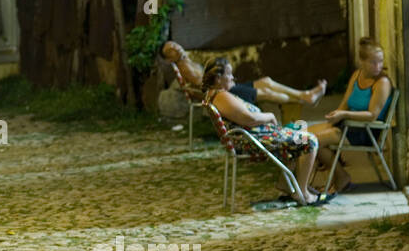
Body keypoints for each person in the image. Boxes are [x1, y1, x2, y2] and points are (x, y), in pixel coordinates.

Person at [203, 57, 326, 207]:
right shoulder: (221, 96)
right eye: (229, 74)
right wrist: (270, 116)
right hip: (251, 141)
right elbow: (248, 118)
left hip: (252, 137)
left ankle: (286, 185)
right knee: (309, 140)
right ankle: (302, 193)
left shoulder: (217, 94)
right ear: (218, 78)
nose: (232, 77)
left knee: (294, 131)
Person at [308, 37, 394, 195]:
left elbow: (372, 115)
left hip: (365, 131)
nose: (378, 66)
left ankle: (341, 177)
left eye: (380, 61)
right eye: (373, 62)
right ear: (362, 61)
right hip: (348, 125)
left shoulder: (382, 82)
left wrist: (344, 115)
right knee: (307, 134)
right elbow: (344, 104)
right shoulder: (357, 75)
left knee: (315, 141)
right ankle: (329, 178)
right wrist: (333, 119)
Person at [163, 41, 326, 107]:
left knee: (266, 81)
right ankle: (303, 100)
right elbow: (205, 85)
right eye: (170, 50)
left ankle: (304, 95)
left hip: (228, 87)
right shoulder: (186, 68)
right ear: (170, 59)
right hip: (225, 93)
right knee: (268, 92)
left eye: (174, 45)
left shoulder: (187, 62)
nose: (175, 48)